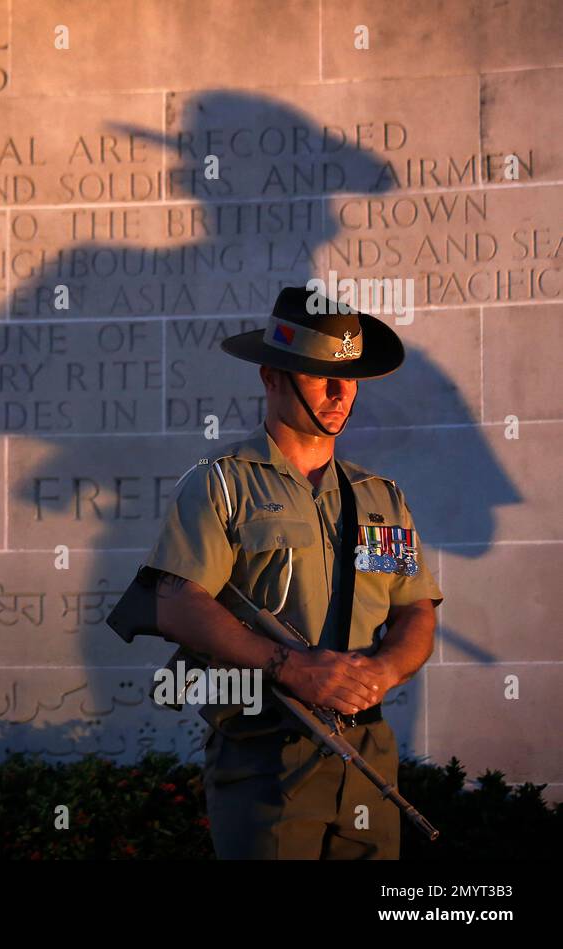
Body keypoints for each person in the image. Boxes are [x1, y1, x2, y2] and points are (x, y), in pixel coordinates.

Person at [139, 285, 444, 859]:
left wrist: (382, 673)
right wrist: (292, 667)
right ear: (271, 377)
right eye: (318, 375)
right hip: (266, 749)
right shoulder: (222, 483)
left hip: (367, 750)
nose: (338, 393)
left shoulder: (378, 497)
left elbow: (414, 610)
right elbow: (178, 604)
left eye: (347, 378)